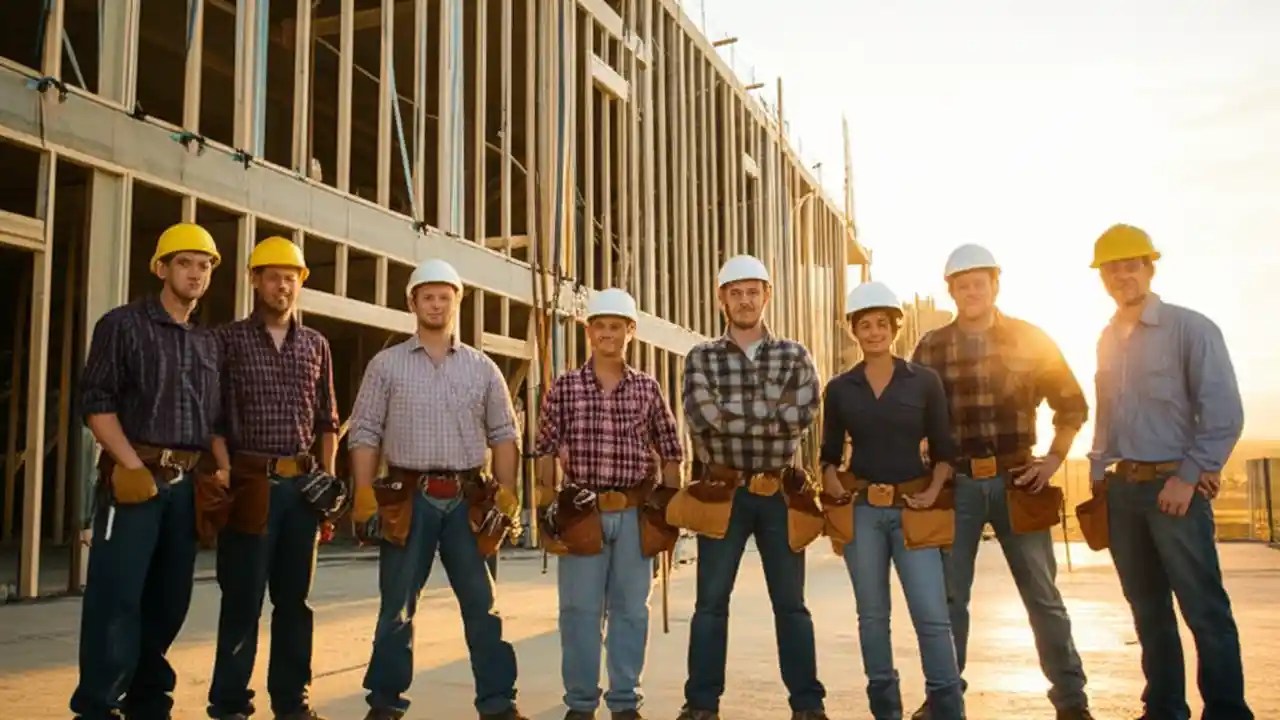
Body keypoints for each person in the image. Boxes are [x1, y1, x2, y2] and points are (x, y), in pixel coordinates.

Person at [911, 244, 1095, 720]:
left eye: (979, 282)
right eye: (962, 285)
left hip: (1019, 483)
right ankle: (944, 700)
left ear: (995, 284)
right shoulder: (930, 347)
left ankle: (1071, 701)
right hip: (957, 486)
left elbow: (1072, 404)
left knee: (1043, 596)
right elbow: (912, 418)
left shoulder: (1030, 339)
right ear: (950, 290)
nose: (971, 291)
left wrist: (1054, 459)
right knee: (950, 598)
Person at [346, 258, 528, 720]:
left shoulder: (482, 368)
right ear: (412, 303)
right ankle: (385, 704)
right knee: (396, 609)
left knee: (483, 608)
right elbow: (364, 431)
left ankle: (498, 703)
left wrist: (506, 495)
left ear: (457, 302)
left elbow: (505, 434)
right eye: (427, 295)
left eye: (444, 295)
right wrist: (363, 493)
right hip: (408, 498)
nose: (435, 303)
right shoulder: (386, 366)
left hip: (468, 501)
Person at [1086, 224, 1252, 719]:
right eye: (1112, 268)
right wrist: (1098, 476)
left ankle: (1226, 710)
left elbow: (1224, 411)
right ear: (1103, 277)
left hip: (1172, 489)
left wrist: (1189, 476)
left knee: (1203, 609)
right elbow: (1107, 414)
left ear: (1150, 267)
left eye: (1131, 264)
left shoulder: (1191, 329)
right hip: (1124, 491)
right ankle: (1162, 708)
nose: (1122, 275)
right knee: (1148, 611)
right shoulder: (1106, 338)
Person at [70, 222, 225, 720]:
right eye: (184, 262)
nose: (195, 272)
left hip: (184, 492)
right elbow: (96, 401)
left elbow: (213, 419)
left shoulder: (207, 343)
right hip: (133, 482)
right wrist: (130, 466)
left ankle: (148, 704)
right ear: (161, 268)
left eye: (204, 265)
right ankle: (98, 706)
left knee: (169, 601)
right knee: (116, 599)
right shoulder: (122, 325)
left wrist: (218, 471)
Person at [675, 255, 829, 720]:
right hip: (722, 495)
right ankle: (701, 705)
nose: (745, 300)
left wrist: (734, 421)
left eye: (753, 291)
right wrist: (769, 416)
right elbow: (704, 417)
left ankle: (807, 705)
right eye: (735, 292)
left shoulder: (795, 356)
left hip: (780, 494)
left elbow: (801, 415)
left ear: (767, 295)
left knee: (791, 605)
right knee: (710, 605)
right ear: (722, 298)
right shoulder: (701, 357)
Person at [534, 288, 684, 720]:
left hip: (635, 513)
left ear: (630, 332)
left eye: (616, 326)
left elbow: (671, 450)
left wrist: (668, 510)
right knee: (579, 612)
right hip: (583, 513)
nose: (607, 334)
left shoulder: (646, 388)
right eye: (600, 326)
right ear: (589, 331)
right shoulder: (564, 387)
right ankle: (580, 704)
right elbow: (545, 448)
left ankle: (624, 703)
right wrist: (546, 503)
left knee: (632, 611)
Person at [206, 237, 340, 720]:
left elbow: (328, 419)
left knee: (294, 603)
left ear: (300, 283)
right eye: (273, 275)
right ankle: (229, 704)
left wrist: (327, 483)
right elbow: (213, 418)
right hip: (250, 485)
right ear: (255, 280)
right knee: (242, 601)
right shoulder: (228, 340)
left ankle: (291, 701)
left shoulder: (316, 345)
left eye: (291, 277)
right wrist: (222, 468)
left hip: (302, 492)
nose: (282, 285)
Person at [820, 281, 964, 720]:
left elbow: (944, 451)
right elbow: (827, 455)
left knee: (932, 616)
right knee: (872, 617)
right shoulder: (841, 388)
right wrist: (831, 480)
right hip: (863, 512)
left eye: (882, 323)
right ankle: (886, 709)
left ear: (895, 327)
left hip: (912, 511)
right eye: (865, 325)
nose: (875, 332)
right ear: (854, 331)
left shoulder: (924, 382)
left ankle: (947, 708)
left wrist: (933, 491)